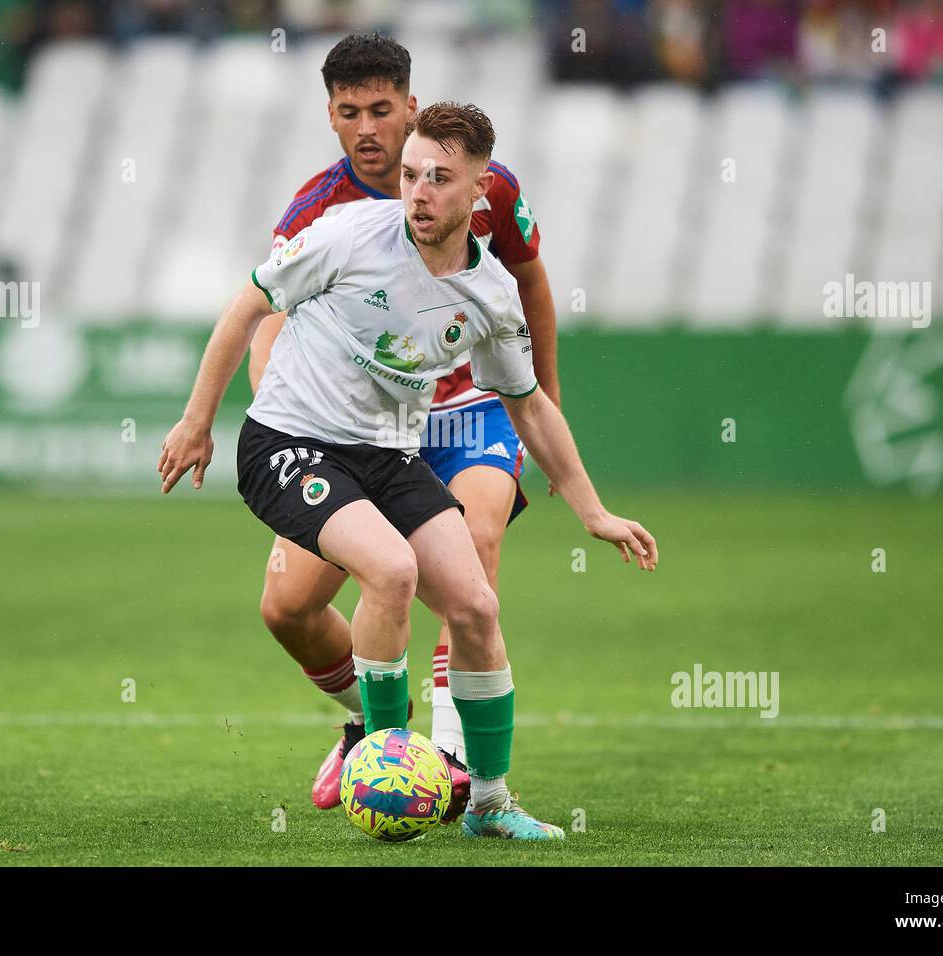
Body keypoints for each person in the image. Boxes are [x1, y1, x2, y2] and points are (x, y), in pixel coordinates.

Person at [159, 102, 658, 840]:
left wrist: (593, 510)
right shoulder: (344, 235)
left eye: (439, 178)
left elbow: (527, 405)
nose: (418, 191)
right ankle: (385, 767)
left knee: (477, 606)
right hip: (290, 442)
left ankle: (489, 801)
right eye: (411, 174)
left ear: (479, 191)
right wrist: (197, 421)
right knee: (388, 570)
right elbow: (247, 308)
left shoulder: (489, 293)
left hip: (387, 455)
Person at [247, 33, 562, 817]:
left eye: (382, 110)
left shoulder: (480, 185)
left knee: (474, 547)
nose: (369, 129)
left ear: (410, 108)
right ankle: (372, 722)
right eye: (350, 113)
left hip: (469, 406)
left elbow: (527, 282)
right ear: (330, 117)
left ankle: (456, 767)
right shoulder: (319, 210)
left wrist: (544, 401)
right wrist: (299, 431)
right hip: (356, 427)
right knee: (287, 607)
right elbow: (264, 322)